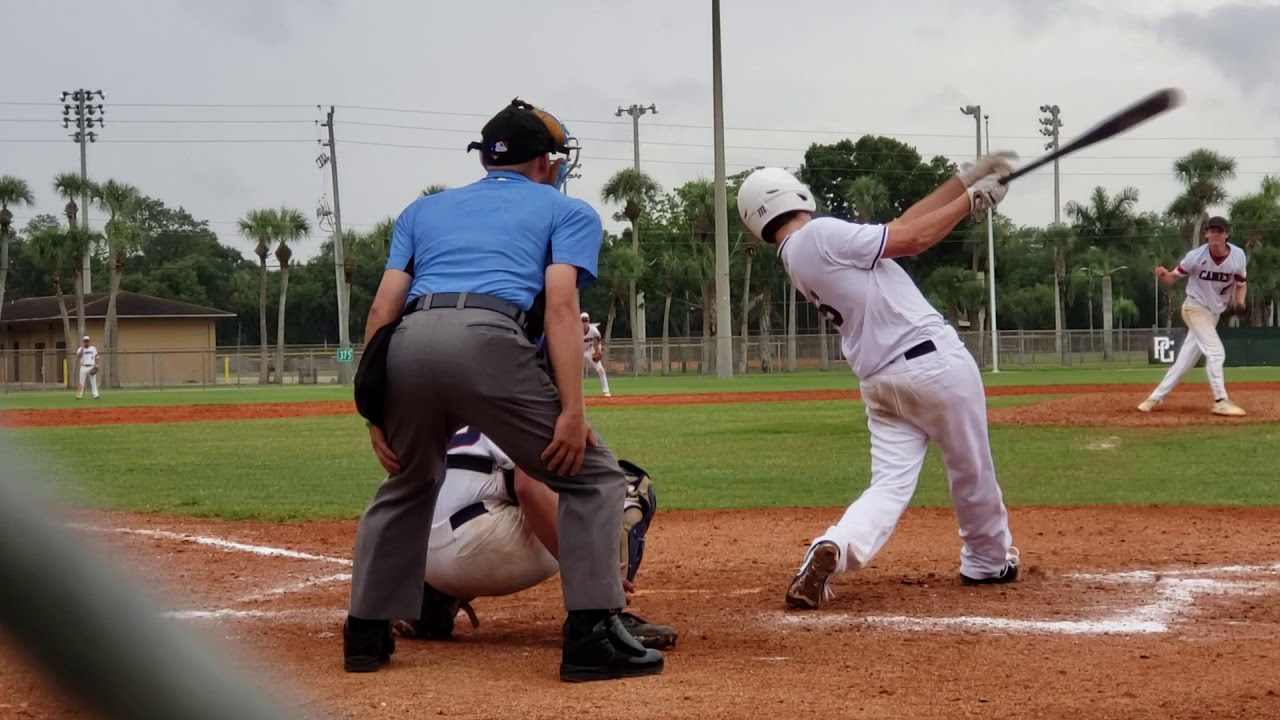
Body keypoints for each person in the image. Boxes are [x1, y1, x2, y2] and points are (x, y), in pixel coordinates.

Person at [345, 97, 666, 682]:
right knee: (594, 476)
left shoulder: (423, 209)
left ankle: (365, 634)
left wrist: (375, 413)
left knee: (408, 482)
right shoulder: (566, 211)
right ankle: (592, 635)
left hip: (408, 342)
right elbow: (561, 312)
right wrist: (573, 409)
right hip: (490, 338)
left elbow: (380, 311)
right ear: (545, 162)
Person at [734, 158, 1022, 611]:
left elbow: (902, 224)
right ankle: (987, 559)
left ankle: (836, 545)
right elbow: (913, 238)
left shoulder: (798, 254)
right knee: (971, 469)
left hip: (882, 384)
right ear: (794, 195)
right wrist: (973, 202)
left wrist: (962, 182)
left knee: (887, 486)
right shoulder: (819, 235)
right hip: (934, 364)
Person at [392, 426, 676, 650]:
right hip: (479, 547)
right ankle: (602, 612)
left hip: (418, 554)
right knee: (626, 486)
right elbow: (529, 488)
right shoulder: (528, 384)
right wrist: (593, 574)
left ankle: (429, 604)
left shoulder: (456, 387)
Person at [1138, 215, 1247, 417]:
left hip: (1212, 314)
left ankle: (1153, 399)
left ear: (1227, 235)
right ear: (1206, 234)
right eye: (1212, 230)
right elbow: (1172, 279)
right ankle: (1220, 400)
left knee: (1184, 363)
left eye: (1219, 231)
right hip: (1194, 307)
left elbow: (1241, 283)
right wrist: (1162, 275)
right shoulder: (1195, 257)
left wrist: (1240, 301)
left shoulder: (1238, 256)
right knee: (1216, 352)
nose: (1215, 234)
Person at [581, 312, 611, 397]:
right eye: (582, 321)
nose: (584, 323)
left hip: (590, 350)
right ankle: (577, 393)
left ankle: (606, 391)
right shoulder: (576, 330)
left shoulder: (593, 330)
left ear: (589, 321)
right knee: (576, 374)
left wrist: (599, 349)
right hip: (579, 351)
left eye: (586, 320)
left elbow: (599, 340)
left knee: (600, 370)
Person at [75, 335, 99, 400]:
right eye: (85, 341)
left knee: (93, 382)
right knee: (81, 382)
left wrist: (96, 366)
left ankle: (96, 395)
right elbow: (79, 356)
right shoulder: (80, 349)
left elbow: (96, 357)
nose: (86, 342)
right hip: (83, 367)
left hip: (91, 366)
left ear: (89, 341)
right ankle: (79, 395)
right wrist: (83, 349)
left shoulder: (93, 348)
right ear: (83, 342)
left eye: (87, 341)